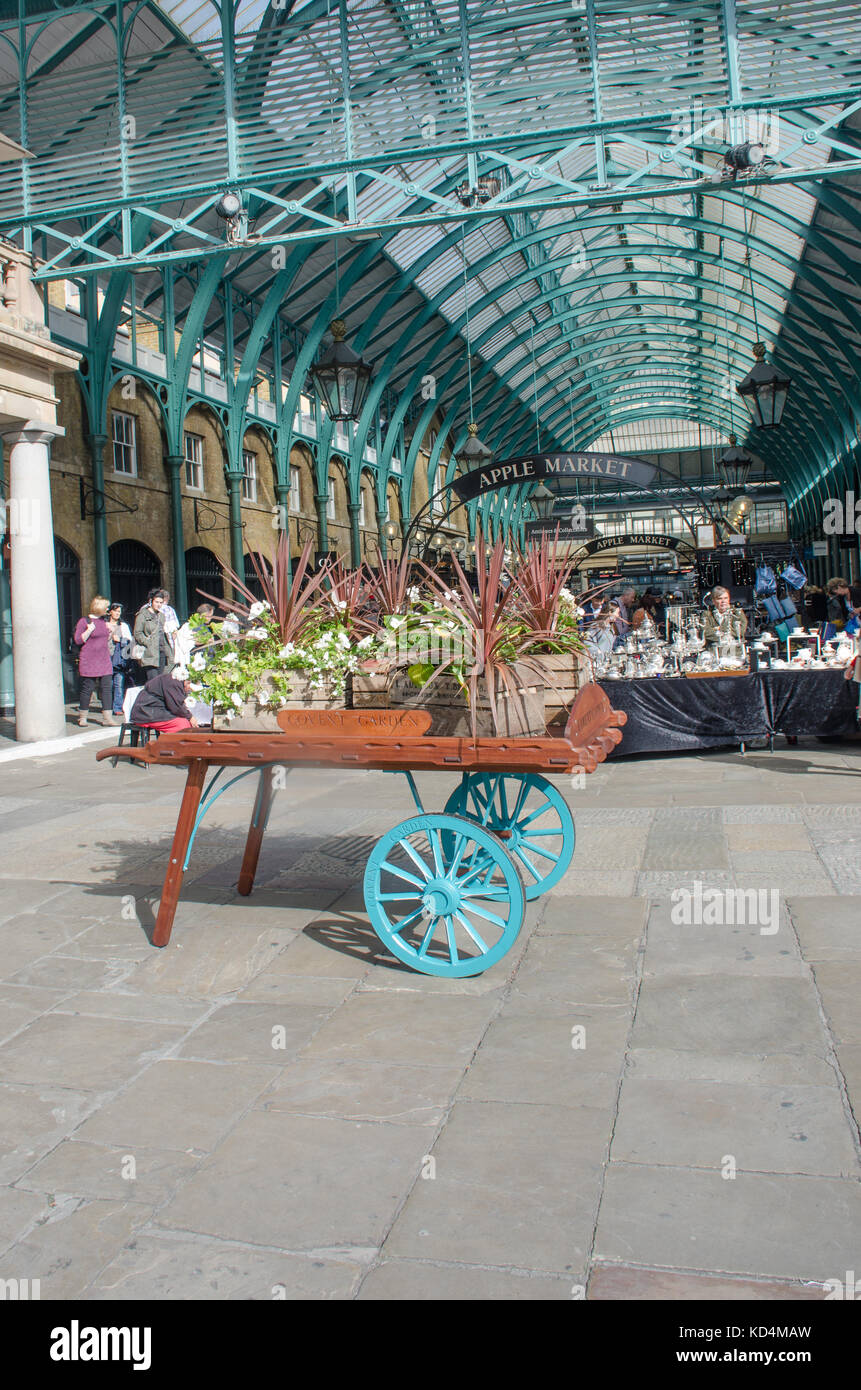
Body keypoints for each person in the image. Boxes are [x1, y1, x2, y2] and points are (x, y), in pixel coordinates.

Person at [74, 595, 115, 726]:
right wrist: (88, 630)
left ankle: (108, 718)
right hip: (89, 660)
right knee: (88, 688)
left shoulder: (104, 621)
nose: (108, 609)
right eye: (106, 607)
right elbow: (78, 640)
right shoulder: (84, 621)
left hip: (104, 659)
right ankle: (83, 717)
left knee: (107, 688)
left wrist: (110, 632)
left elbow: (104, 641)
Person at [130, 670, 201, 734]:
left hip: (150, 710)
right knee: (182, 724)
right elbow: (176, 707)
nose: (189, 690)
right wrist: (190, 717)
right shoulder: (173, 682)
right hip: (146, 712)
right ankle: (174, 746)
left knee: (184, 721)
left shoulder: (174, 681)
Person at [133, 588, 172, 682]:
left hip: (161, 651)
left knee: (160, 681)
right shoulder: (142, 615)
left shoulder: (161, 616)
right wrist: (148, 642)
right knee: (153, 681)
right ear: (151, 601)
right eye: (157, 602)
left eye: (161, 602)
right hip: (149, 653)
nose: (159, 605)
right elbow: (137, 633)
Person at [106, 601, 134, 716]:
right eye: (116, 611)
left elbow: (129, 642)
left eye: (119, 612)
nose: (117, 614)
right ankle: (107, 706)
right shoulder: (104, 625)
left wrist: (120, 639)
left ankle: (117, 707)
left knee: (118, 682)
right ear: (110, 612)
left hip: (118, 658)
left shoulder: (123, 626)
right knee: (108, 684)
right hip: (106, 656)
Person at [172, 603, 216, 671]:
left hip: (207, 658)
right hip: (199, 659)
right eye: (209, 616)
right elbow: (192, 640)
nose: (210, 618)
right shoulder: (194, 625)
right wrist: (207, 641)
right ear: (202, 615)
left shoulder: (203, 625)